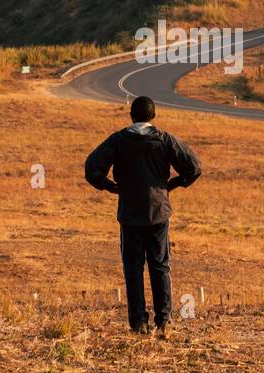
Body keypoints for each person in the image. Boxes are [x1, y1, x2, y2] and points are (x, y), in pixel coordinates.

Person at [84, 96, 202, 337]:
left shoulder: (118, 140)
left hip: (129, 213)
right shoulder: (164, 140)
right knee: (160, 266)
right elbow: (194, 167)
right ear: (153, 116)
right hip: (158, 212)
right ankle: (163, 321)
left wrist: (109, 186)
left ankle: (138, 323)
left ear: (131, 116)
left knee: (133, 269)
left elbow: (91, 167)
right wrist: (173, 184)